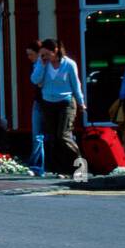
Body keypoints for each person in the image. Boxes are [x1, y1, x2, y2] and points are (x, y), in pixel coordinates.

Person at [32, 38, 85, 174]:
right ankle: (62, 170)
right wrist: (42, 65)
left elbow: (75, 84)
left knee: (63, 135)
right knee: (53, 138)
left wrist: (81, 102)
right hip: (48, 103)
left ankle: (80, 167)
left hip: (66, 102)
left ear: (56, 51)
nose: (45, 57)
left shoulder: (69, 64)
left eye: (47, 54)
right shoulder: (43, 63)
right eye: (42, 54)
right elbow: (35, 79)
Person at [25, 41, 46, 176]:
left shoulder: (41, 64)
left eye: (30, 54)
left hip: (44, 102)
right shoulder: (38, 64)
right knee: (39, 136)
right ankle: (38, 166)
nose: (29, 57)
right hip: (40, 101)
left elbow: (36, 80)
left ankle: (36, 165)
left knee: (38, 135)